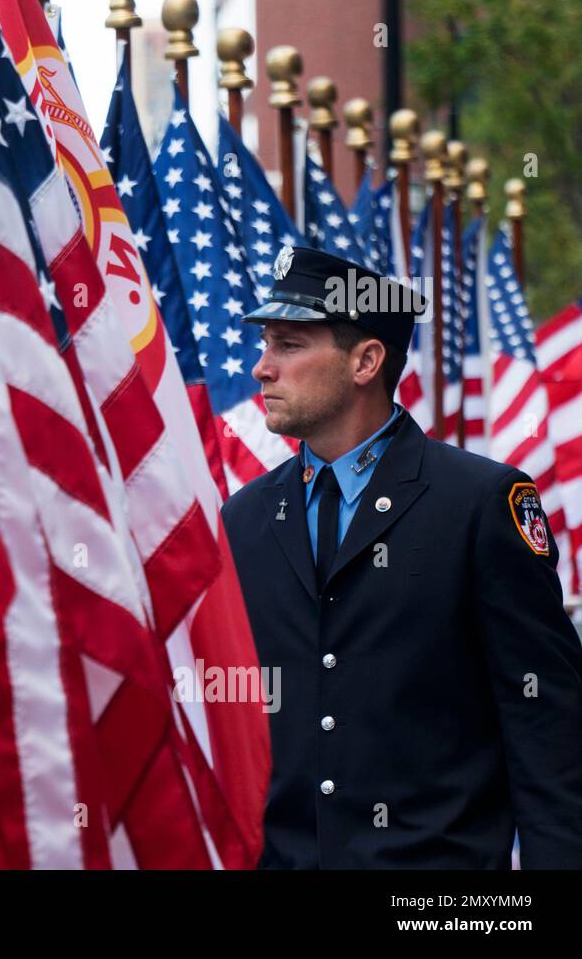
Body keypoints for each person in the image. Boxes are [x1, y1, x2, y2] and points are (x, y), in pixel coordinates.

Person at [222, 245, 582, 868]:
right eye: (266, 344)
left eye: (288, 345)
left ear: (366, 360)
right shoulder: (245, 518)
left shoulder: (479, 505)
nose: (262, 368)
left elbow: (547, 732)